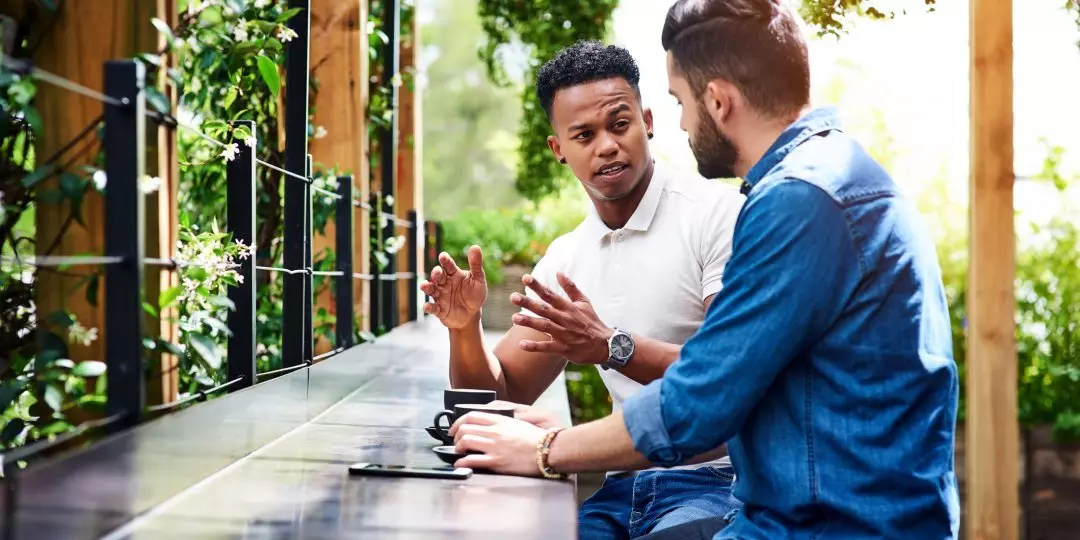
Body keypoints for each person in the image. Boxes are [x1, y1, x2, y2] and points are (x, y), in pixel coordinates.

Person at [446, 1, 961, 539]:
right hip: (807, 513)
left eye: (679, 101)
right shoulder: (827, 179)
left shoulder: (799, 201)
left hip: (825, 525)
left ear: (717, 100)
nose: (684, 123)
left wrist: (549, 450)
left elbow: (701, 400)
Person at [419, 41, 747, 539]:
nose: (608, 145)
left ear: (648, 121)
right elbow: (501, 392)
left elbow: (729, 375)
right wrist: (463, 330)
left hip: (716, 485)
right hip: (621, 492)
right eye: (584, 135)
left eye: (620, 124)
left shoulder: (715, 217)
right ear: (559, 150)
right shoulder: (570, 256)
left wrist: (610, 346)